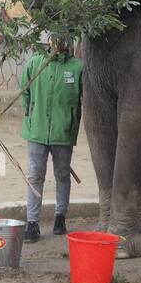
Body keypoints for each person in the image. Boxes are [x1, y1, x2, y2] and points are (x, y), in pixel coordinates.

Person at [19, 37, 82, 242]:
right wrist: (31, 115)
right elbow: (25, 93)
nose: (60, 41)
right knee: (35, 176)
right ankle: (32, 223)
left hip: (63, 133)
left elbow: (83, 98)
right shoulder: (35, 63)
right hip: (36, 131)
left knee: (62, 174)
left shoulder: (77, 67)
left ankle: (60, 217)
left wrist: (71, 121)